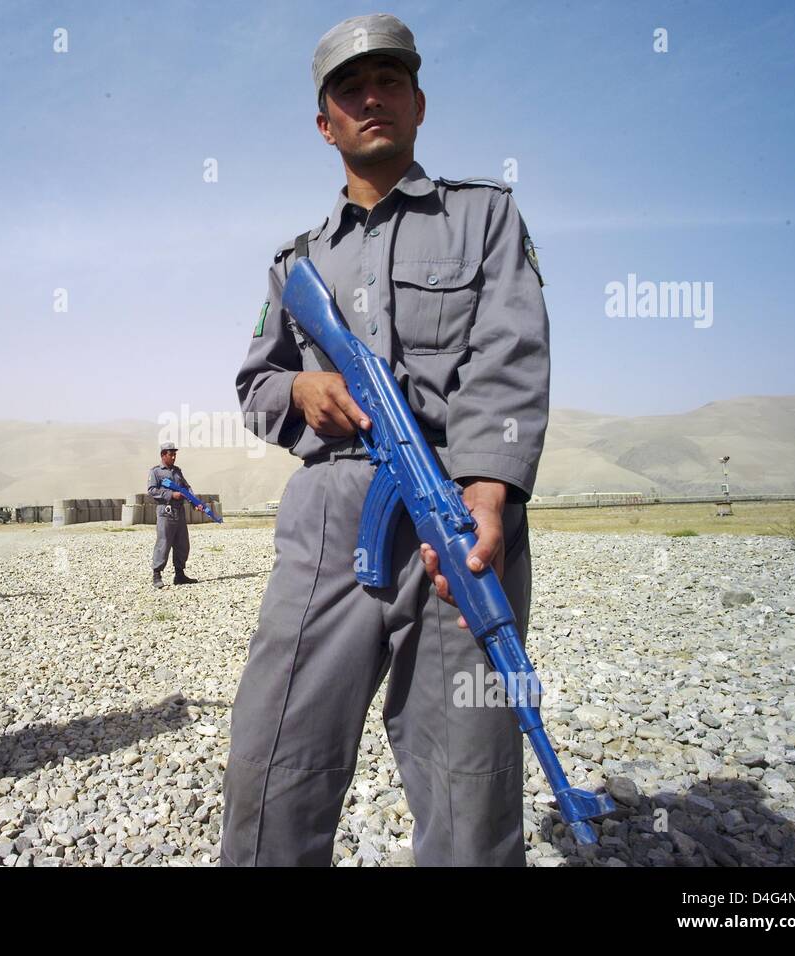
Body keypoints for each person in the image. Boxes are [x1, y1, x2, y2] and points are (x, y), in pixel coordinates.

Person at [221, 14, 551, 866]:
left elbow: (510, 357)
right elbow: (255, 386)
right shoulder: (295, 264)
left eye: (390, 81)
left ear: (419, 102)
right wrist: (301, 386)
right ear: (325, 122)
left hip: (456, 517)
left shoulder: (484, 217)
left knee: (466, 783)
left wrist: (489, 488)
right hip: (329, 521)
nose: (373, 97)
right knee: (273, 762)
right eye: (350, 89)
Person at [147, 442, 198, 588]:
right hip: (165, 512)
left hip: (179, 512)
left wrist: (194, 502)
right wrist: (171, 494)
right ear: (163, 455)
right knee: (163, 543)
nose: (174, 457)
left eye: (175, 454)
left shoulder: (177, 471)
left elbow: (186, 488)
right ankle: (157, 575)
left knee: (182, 543)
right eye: (171, 454)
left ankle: (179, 574)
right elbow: (151, 491)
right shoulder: (156, 472)